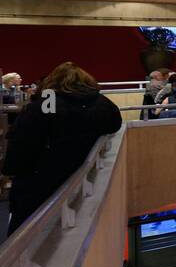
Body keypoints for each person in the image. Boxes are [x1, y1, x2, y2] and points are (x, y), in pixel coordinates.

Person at [1, 62, 123, 232]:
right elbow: (115, 124)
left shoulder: (49, 101)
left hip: (39, 184)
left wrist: (10, 170)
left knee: (22, 236)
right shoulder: (99, 101)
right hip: (82, 177)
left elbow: (24, 143)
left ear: (54, 81)